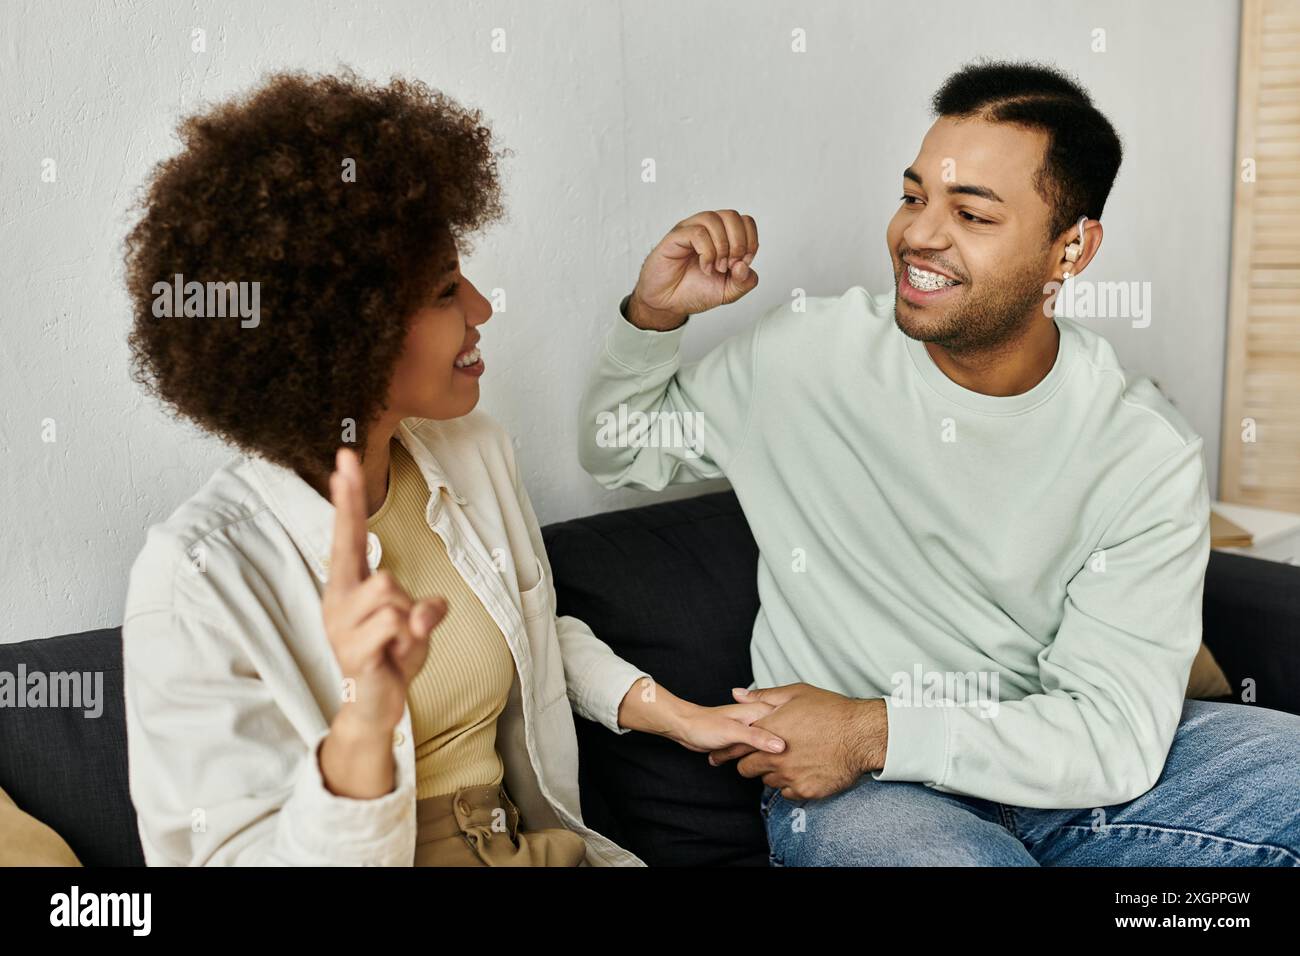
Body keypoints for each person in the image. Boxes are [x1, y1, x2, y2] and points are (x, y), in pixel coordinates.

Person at [578, 59, 1300, 866]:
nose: (919, 234)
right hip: (876, 797)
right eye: (915, 196)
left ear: (1072, 249)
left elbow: (1111, 735)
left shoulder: (1141, 450)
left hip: (1059, 764)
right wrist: (654, 317)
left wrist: (869, 729)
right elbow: (622, 449)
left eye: (972, 214)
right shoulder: (808, 357)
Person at [120, 69, 784, 866]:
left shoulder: (471, 455)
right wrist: (365, 722)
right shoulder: (196, 574)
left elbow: (530, 633)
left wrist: (670, 712)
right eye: (444, 290)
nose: (481, 306)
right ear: (345, 333)